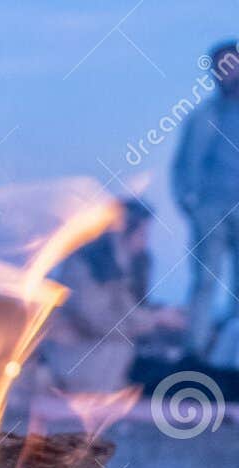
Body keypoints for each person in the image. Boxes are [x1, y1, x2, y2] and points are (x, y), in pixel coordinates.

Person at [41, 199, 177, 392]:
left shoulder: (132, 264)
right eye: (142, 233)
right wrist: (154, 320)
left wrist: (160, 316)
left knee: (187, 372)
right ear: (123, 230)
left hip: (114, 367)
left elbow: (129, 310)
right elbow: (98, 321)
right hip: (81, 365)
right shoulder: (87, 263)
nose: (145, 241)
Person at [174, 41, 239, 358]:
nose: (226, 72)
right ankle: (195, 352)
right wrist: (188, 200)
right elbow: (182, 163)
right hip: (210, 209)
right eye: (220, 66)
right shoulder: (203, 117)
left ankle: (231, 351)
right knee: (204, 279)